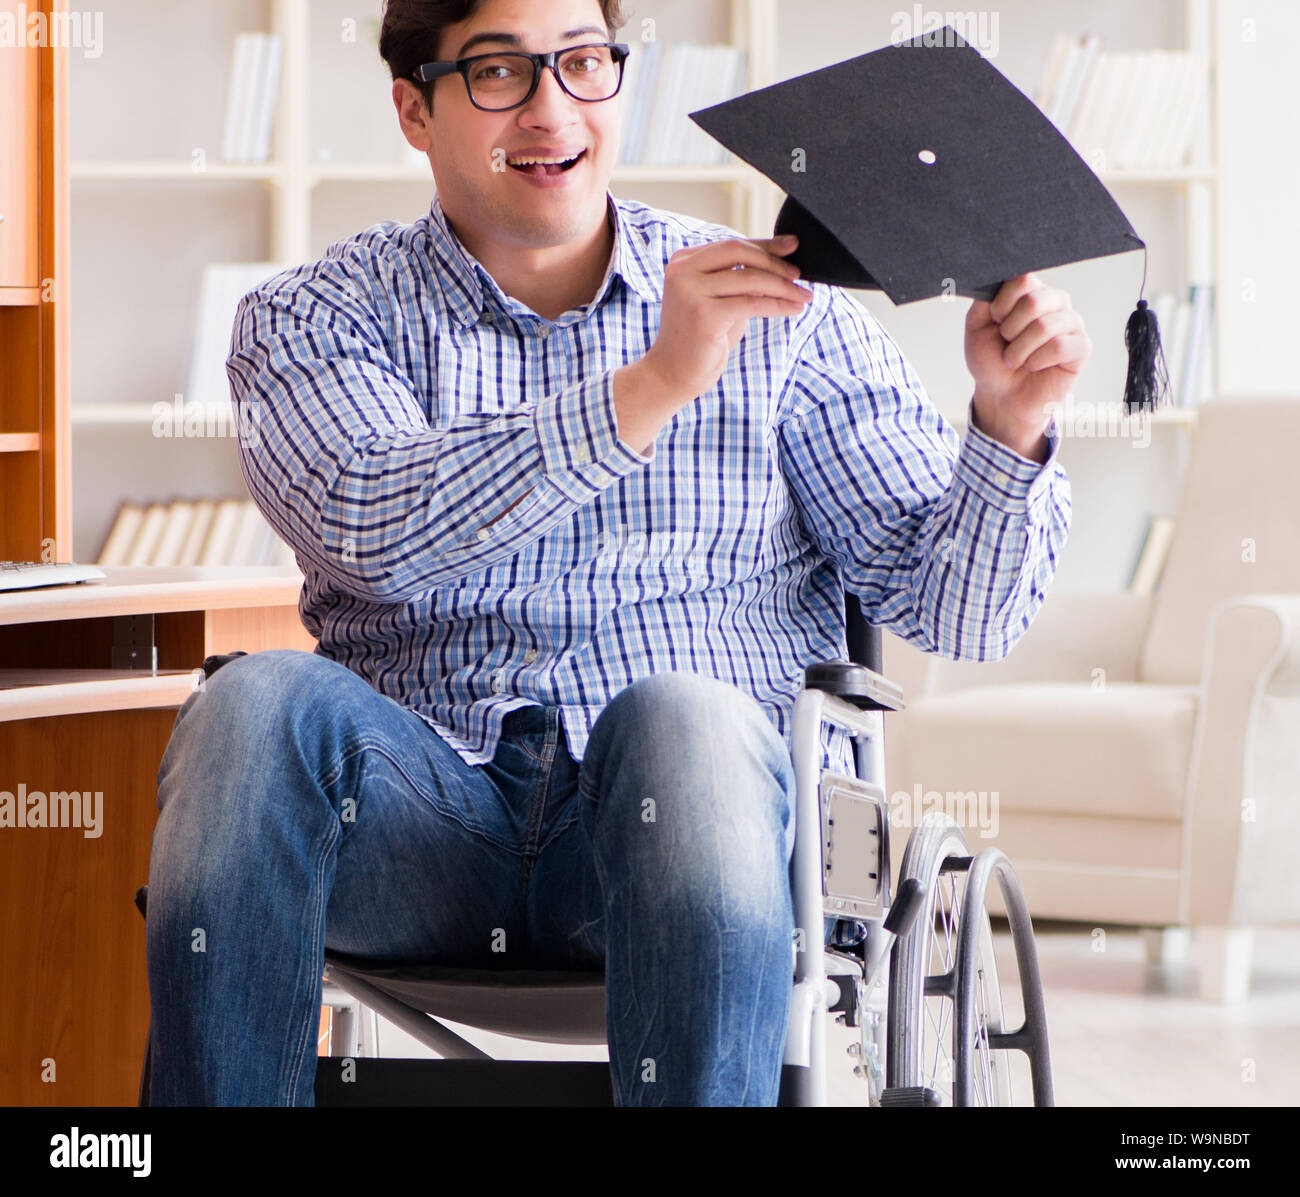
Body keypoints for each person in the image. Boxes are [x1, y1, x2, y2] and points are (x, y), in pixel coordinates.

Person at [145, 0, 1083, 1107]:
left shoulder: (787, 316)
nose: (553, 110)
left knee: (681, 716)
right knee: (252, 705)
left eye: (584, 64)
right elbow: (369, 528)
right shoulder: (314, 318)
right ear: (414, 107)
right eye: (499, 73)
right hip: (422, 833)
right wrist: (647, 390)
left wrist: (1009, 431)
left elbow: (963, 617)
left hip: (699, 832)